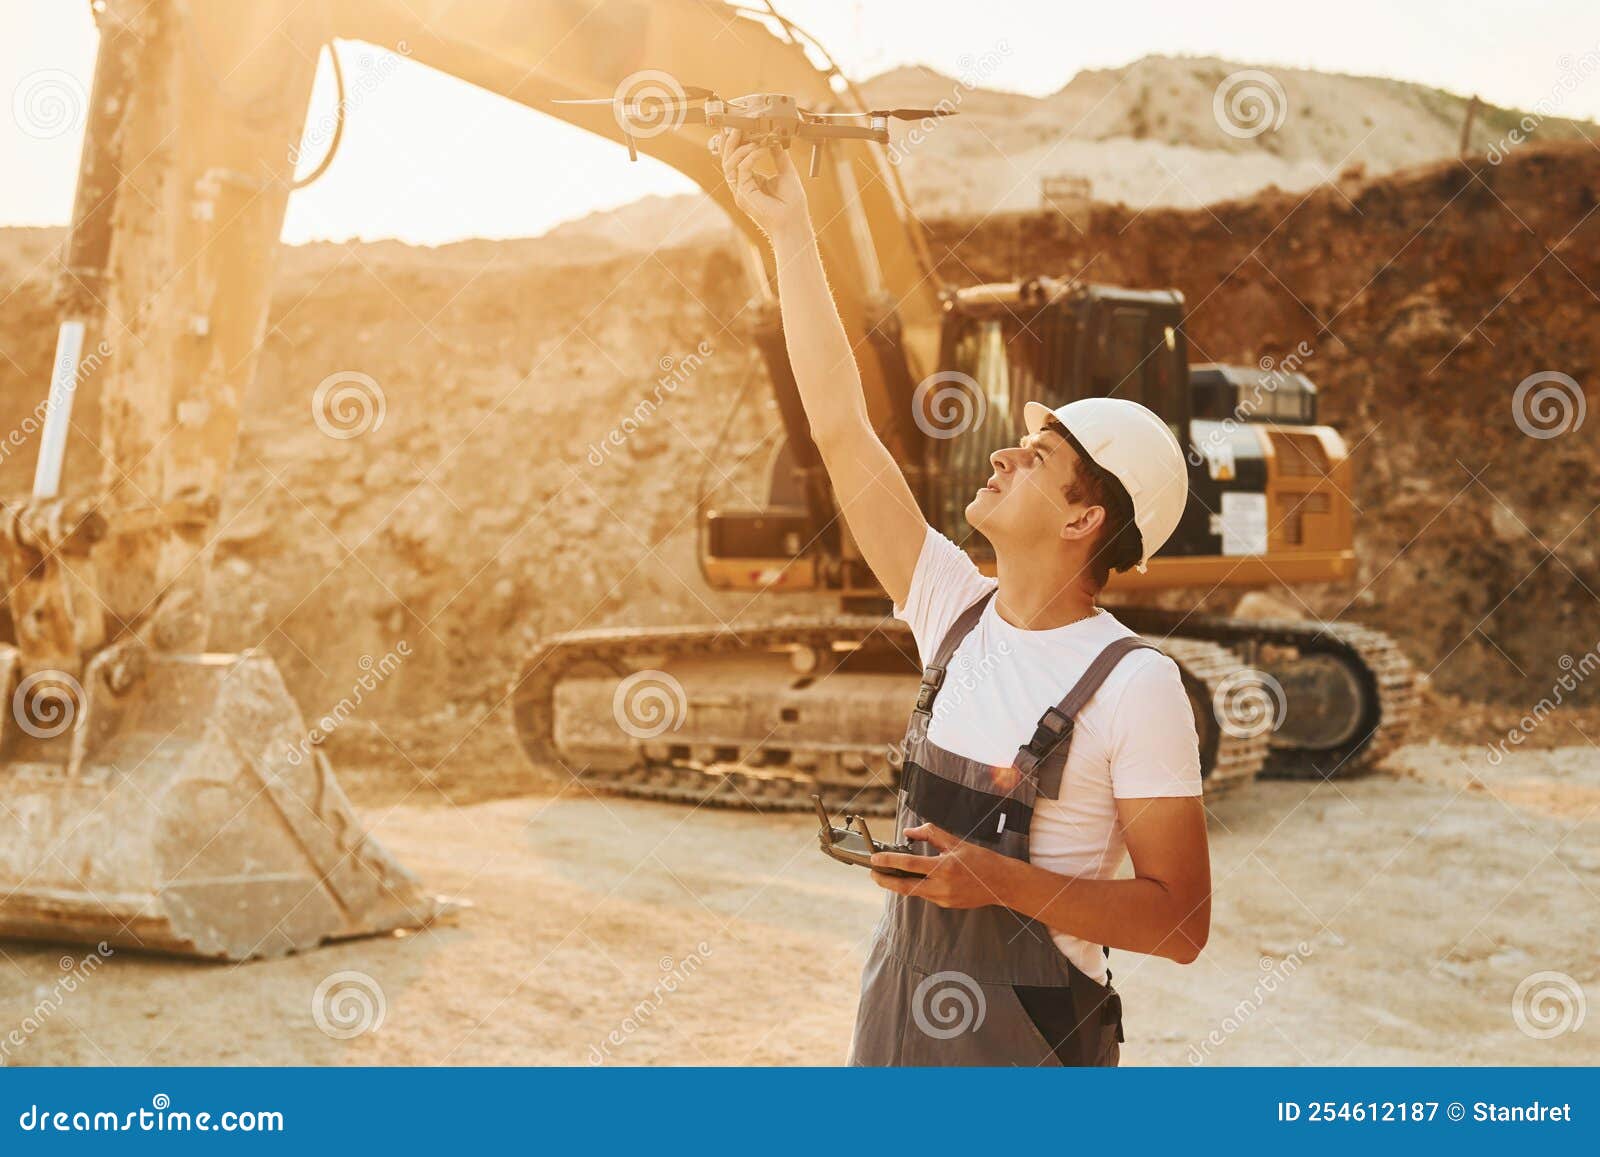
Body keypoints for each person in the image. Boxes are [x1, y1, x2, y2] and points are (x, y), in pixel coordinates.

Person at [721, 131, 1210, 1067]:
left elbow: (1180, 922)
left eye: (1037, 458)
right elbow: (838, 424)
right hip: (898, 1014)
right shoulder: (953, 606)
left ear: (1083, 518)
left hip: (1024, 1047)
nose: (1001, 453)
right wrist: (789, 232)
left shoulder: (1135, 687)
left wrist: (1002, 882)